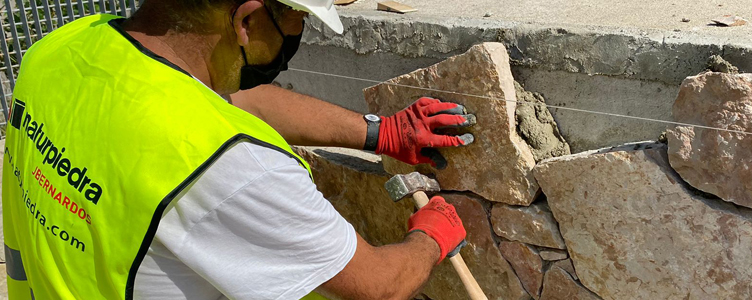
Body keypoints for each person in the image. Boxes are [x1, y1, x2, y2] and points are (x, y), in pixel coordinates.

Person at [1, 0, 476, 298]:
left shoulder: (58, 52)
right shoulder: (230, 164)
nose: (296, 36)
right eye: (295, 19)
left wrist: (381, 133)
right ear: (247, 18)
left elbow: (230, 102)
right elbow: (377, 285)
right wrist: (431, 237)